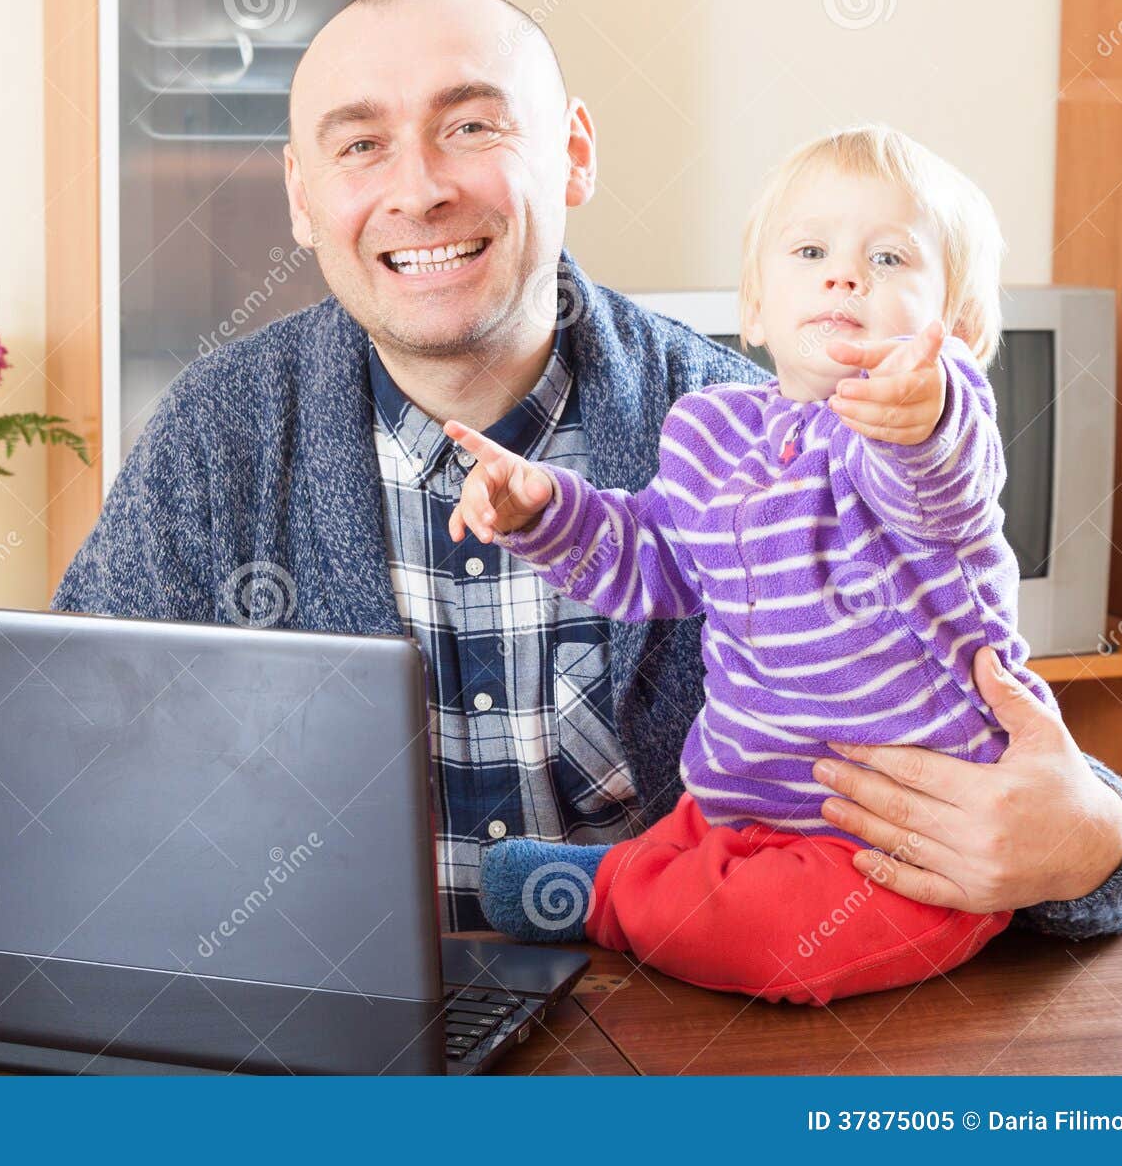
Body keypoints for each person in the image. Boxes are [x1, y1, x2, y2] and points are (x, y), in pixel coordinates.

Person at [51, 0, 1122, 941]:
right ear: (305, 196)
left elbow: (972, 733)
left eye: (471, 127)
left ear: (573, 153)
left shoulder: (761, 435)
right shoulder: (216, 435)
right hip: (324, 1049)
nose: (419, 186)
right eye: (360, 145)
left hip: (677, 1036)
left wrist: (1096, 846)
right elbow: (59, 749)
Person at [454, 125, 1069, 1003]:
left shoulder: (917, 442)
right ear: (754, 307)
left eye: (890, 258)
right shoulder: (713, 431)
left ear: (958, 327)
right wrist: (544, 507)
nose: (845, 275)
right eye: (811, 250)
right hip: (735, 798)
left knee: (786, 947)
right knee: (692, 851)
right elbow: (651, 560)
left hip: (911, 839)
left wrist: (926, 404)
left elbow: (943, 473)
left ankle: (604, 893)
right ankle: (626, 874)